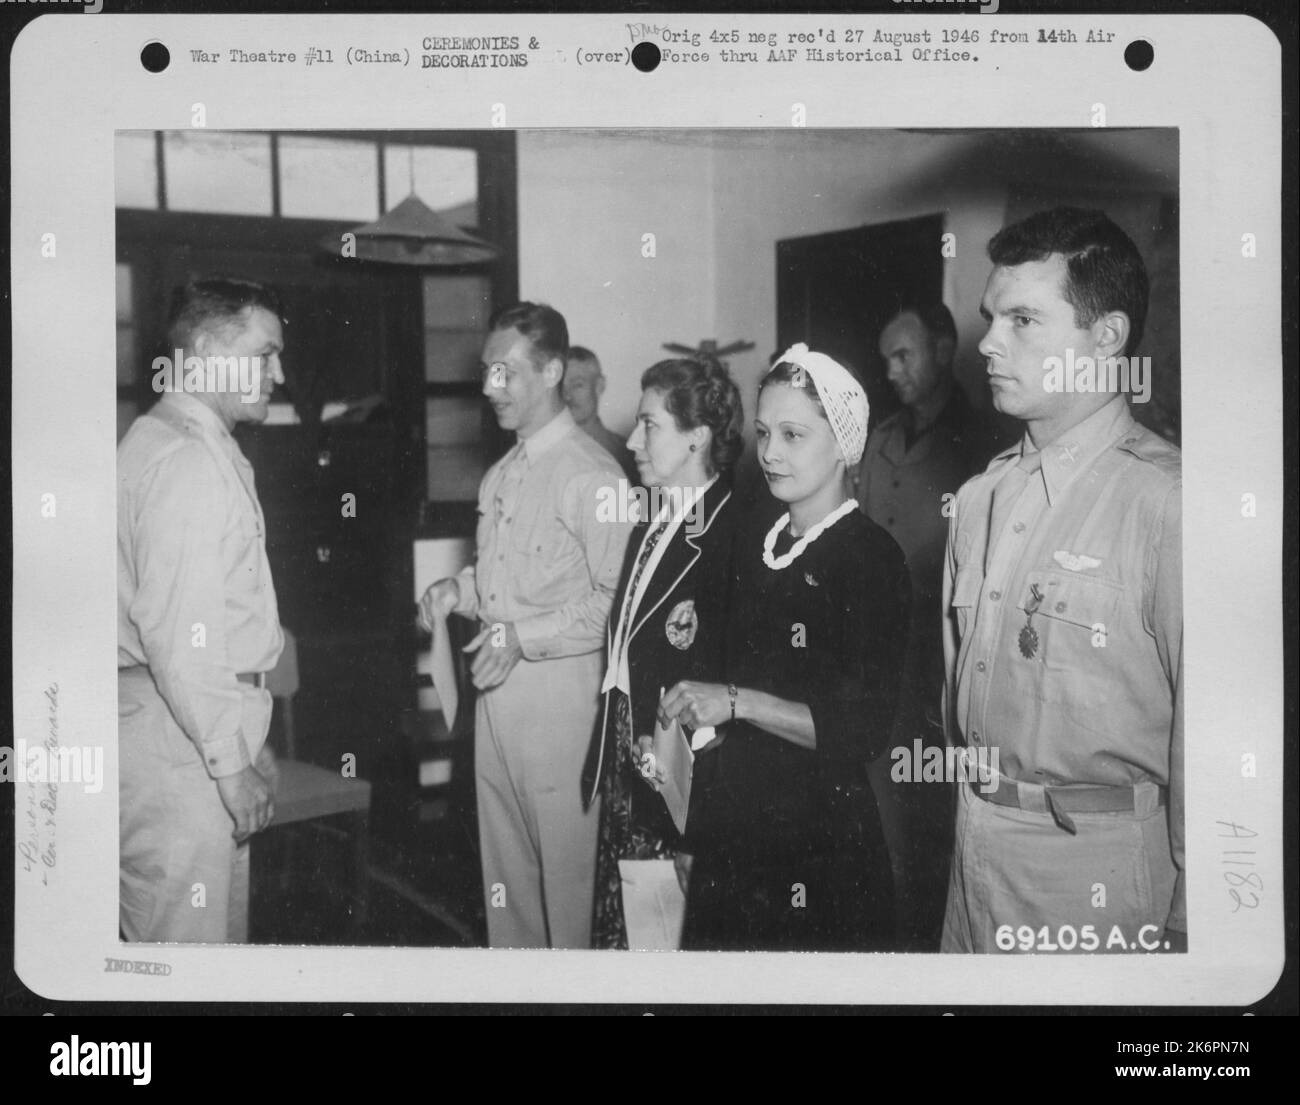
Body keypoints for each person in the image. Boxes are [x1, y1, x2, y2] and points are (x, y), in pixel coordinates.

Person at [941, 207, 1184, 954]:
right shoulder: (980, 497)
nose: (987, 342)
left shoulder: (1168, 502)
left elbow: (1217, 741)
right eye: (991, 317)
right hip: (972, 848)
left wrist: (1191, 931)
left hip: (1097, 872)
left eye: (1022, 320)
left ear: (1105, 338)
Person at [665, 344, 911, 951]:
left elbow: (860, 730)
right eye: (765, 432)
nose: (770, 452)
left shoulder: (870, 559)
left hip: (818, 840)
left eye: (794, 435)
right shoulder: (753, 538)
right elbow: (718, 683)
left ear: (844, 444)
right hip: (735, 827)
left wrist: (736, 701)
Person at [418, 302, 634, 949]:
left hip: (564, 711)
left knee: (567, 897)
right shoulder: (501, 474)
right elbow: (499, 574)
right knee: (505, 892)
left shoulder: (596, 477)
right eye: (487, 373)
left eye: (505, 373)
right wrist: (454, 589)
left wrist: (523, 637)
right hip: (495, 706)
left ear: (551, 372)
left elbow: (617, 603)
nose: (490, 389)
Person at [117, 277, 287, 942]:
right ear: (211, 349)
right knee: (184, 959)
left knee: (209, 955)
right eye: (266, 352)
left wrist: (238, 746)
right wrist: (228, 759)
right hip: (177, 743)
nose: (279, 372)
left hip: (185, 731)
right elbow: (180, 634)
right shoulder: (184, 459)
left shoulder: (184, 442)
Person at [580, 356, 744, 949]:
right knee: (628, 928)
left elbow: (730, 684)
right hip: (632, 756)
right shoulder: (651, 520)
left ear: (697, 436)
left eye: (649, 425)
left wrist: (693, 818)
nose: (631, 440)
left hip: (680, 779)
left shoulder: (730, 537)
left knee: (666, 940)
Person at [855, 303, 994, 950]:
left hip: (947, 660)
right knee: (882, 813)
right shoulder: (879, 438)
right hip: (879, 658)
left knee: (938, 817)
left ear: (943, 350)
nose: (891, 370)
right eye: (885, 358)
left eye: (903, 354)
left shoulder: (988, 441)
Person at [562, 345, 638, 482]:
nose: (567, 396)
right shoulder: (540, 450)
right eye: (560, 387)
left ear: (599, 386)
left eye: (578, 385)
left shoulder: (626, 455)